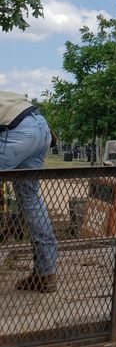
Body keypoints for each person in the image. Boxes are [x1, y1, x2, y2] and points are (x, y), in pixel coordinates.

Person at [0, 91, 58, 292]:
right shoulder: (5, 96)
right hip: (41, 127)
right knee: (31, 198)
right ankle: (45, 274)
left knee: (30, 198)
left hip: (16, 130)